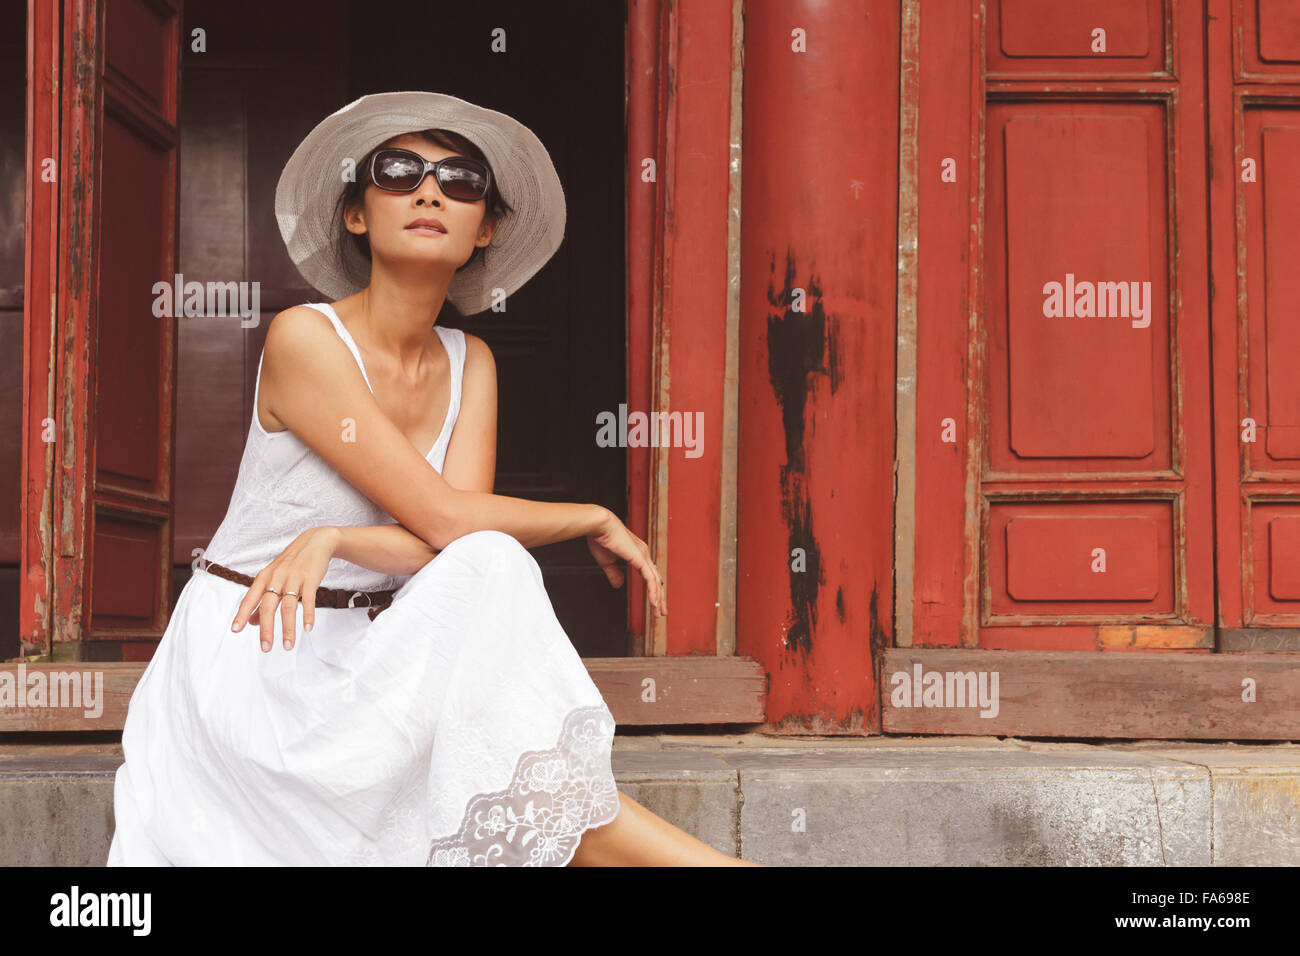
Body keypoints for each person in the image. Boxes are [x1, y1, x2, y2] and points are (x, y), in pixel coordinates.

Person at [106, 91, 758, 867]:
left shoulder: (469, 359)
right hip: (256, 663)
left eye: (461, 181)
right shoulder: (304, 338)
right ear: (356, 214)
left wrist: (338, 537)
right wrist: (590, 516)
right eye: (398, 171)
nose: (429, 191)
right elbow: (449, 518)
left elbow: (451, 543)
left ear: (483, 231)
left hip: (373, 657)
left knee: (492, 564)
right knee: (487, 561)